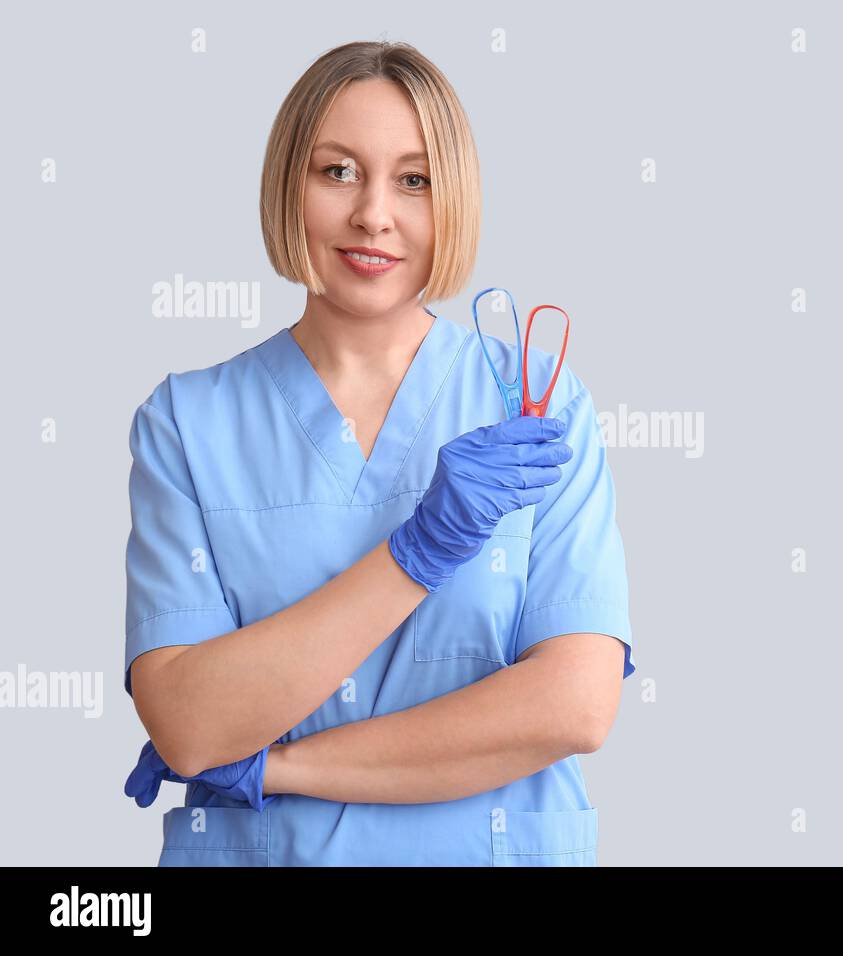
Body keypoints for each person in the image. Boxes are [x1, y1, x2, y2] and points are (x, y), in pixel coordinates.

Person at [121, 40, 634, 866]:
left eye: (414, 180)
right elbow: (189, 725)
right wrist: (418, 553)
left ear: (454, 198)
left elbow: (573, 706)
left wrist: (278, 767)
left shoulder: (537, 405)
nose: (373, 215)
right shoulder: (187, 422)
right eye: (338, 172)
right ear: (288, 185)